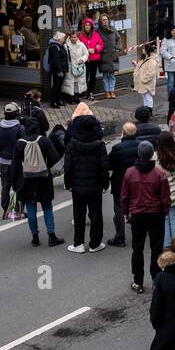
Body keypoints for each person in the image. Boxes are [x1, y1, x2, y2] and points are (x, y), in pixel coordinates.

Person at [123, 141, 171, 294]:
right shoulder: (160, 174)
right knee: (156, 249)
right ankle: (156, 279)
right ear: (152, 155)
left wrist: (126, 212)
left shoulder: (130, 173)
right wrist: (164, 212)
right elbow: (165, 197)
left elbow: (124, 196)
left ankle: (138, 281)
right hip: (156, 214)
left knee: (137, 249)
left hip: (137, 214)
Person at [10, 115, 63, 247]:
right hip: (44, 179)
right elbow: (55, 156)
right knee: (47, 207)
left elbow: (15, 165)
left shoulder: (19, 143)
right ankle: (51, 235)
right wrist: (45, 166)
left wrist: (14, 183)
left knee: (31, 208)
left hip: (26, 179)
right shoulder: (44, 141)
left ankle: (35, 237)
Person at [63, 101, 109, 254]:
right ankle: (95, 243)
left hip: (77, 185)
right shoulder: (100, 145)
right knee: (96, 215)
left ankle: (78, 243)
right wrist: (105, 184)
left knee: (79, 214)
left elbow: (68, 166)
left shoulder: (72, 144)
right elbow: (103, 167)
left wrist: (68, 183)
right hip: (95, 185)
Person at [0, 102, 25, 220]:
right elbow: (24, 145)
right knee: (18, 187)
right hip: (17, 163)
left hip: (3, 163)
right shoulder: (20, 128)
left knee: (5, 187)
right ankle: (17, 210)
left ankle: (5, 209)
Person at [107, 121, 139, 247]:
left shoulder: (117, 149)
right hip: (137, 182)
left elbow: (110, 165)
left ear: (123, 133)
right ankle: (138, 232)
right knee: (136, 207)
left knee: (119, 209)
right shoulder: (141, 145)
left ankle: (120, 236)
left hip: (120, 182)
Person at [76, 18, 105, 98]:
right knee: (84, 76)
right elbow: (77, 46)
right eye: (86, 25)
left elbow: (101, 45)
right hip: (84, 59)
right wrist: (84, 51)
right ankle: (82, 92)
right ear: (83, 26)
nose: (87, 27)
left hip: (94, 59)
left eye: (89, 25)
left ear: (92, 26)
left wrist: (95, 49)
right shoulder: (80, 36)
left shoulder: (96, 35)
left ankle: (90, 92)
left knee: (92, 77)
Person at [96, 14, 120, 99]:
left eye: (106, 19)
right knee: (106, 75)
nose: (105, 21)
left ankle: (112, 91)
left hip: (113, 55)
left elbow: (118, 39)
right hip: (104, 55)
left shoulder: (113, 29)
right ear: (100, 21)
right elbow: (96, 42)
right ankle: (107, 92)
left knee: (112, 75)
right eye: (103, 20)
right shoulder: (98, 31)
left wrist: (117, 49)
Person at [133, 39, 162, 110]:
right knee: (144, 97)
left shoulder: (152, 61)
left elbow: (150, 73)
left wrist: (143, 79)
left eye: (143, 49)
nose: (142, 50)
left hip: (147, 83)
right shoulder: (145, 59)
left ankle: (149, 110)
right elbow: (142, 67)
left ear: (147, 50)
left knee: (148, 97)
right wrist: (136, 65)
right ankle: (146, 109)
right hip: (143, 82)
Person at [43, 32, 69, 108]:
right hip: (57, 70)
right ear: (59, 38)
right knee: (56, 86)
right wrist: (59, 71)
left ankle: (58, 100)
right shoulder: (54, 47)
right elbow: (55, 60)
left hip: (61, 69)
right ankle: (53, 102)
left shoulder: (60, 46)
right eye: (63, 38)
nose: (64, 39)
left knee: (59, 86)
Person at [63, 31, 90, 102]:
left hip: (79, 66)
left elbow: (86, 53)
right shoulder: (66, 46)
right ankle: (71, 97)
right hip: (70, 66)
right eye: (72, 37)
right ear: (69, 37)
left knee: (78, 82)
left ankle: (77, 96)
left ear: (77, 37)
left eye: (75, 37)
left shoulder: (81, 45)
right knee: (71, 82)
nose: (73, 39)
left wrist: (82, 59)